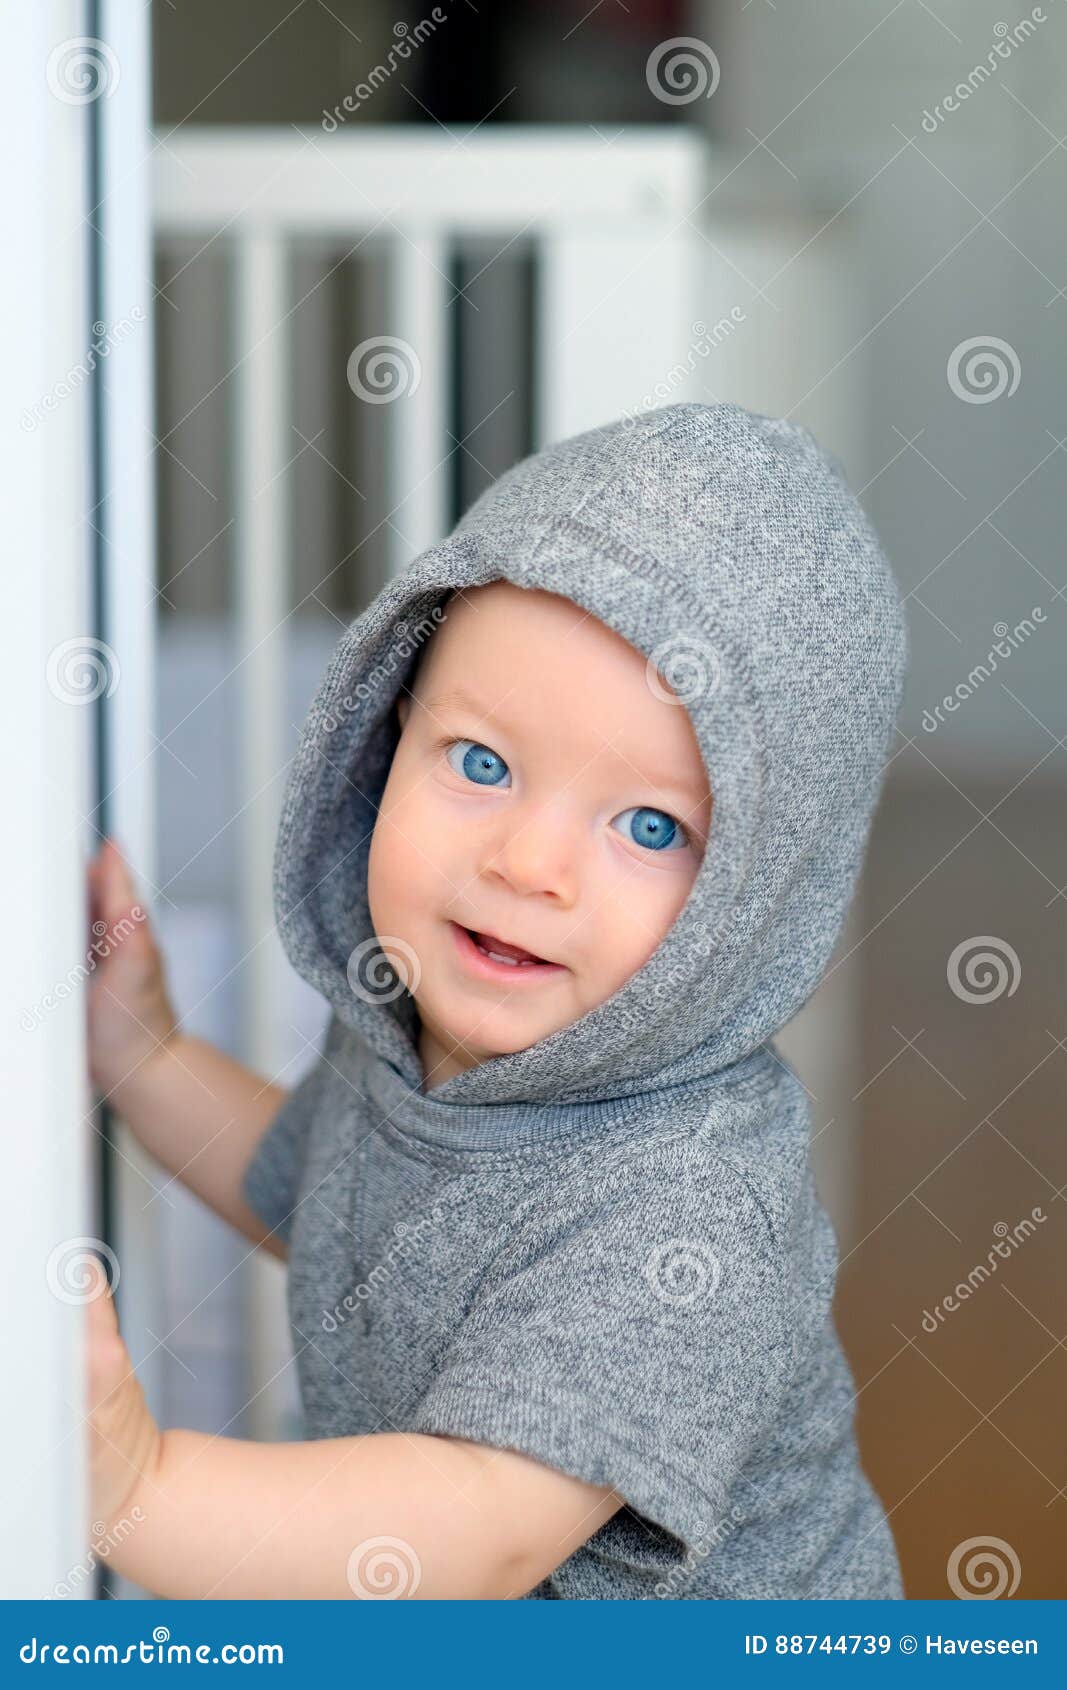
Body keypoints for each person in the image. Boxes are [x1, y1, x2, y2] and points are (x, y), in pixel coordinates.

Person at [85, 400, 908, 1599]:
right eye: (481, 763)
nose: (528, 864)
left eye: (647, 827)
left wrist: (137, 1485)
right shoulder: (405, 1035)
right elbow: (314, 1195)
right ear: (387, 737)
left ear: (754, 899)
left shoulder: (682, 1210)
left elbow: (476, 1520)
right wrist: (144, 1052)